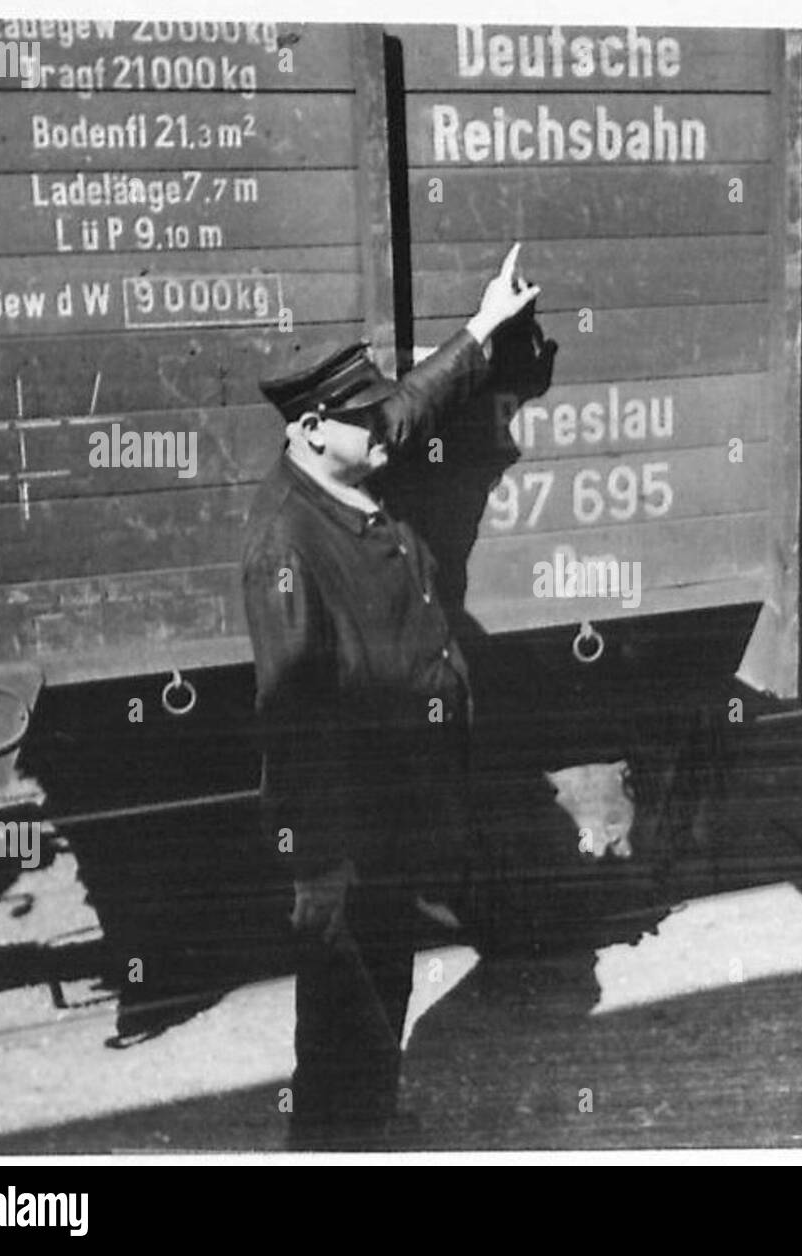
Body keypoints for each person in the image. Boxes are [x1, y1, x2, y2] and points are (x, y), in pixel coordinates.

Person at [242, 244, 540, 1150]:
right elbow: (291, 719)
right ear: (308, 431)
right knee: (345, 1003)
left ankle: (365, 1123)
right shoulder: (287, 547)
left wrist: (485, 326)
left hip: (398, 806)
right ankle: (337, 1140)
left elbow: (409, 406)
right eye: (364, 420)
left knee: (384, 988)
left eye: (378, 412)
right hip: (350, 834)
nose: (387, 430)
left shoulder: (350, 455)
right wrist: (319, 869)